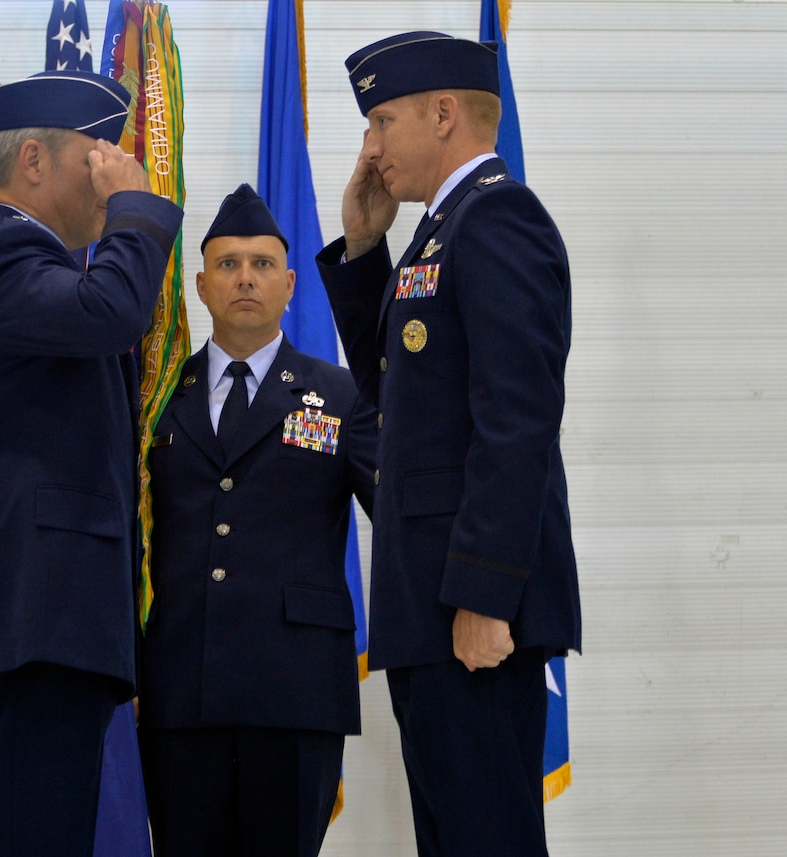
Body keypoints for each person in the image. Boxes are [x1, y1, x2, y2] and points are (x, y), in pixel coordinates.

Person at [316, 32, 582, 857]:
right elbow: (398, 396)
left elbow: (519, 416)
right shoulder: (441, 231)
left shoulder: (498, 215)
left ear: (441, 114)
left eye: (381, 120)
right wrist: (365, 252)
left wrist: (487, 592)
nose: (371, 148)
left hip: (469, 607)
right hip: (429, 603)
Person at [0, 70, 183, 857]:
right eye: (98, 157)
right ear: (33, 159)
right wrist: (141, 210)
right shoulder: (0, 259)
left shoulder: (39, 271)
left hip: (50, 618)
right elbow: (115, 311)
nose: (112, 175)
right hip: (30, 615)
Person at [137, 184, 376, 857]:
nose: (246, 277)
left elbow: (397, 507)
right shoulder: (158, 399)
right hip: (181, 690)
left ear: (291, 282)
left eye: (264, 264)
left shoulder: (340, 394)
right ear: (202, 283)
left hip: (295, 689)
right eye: (230, 263)